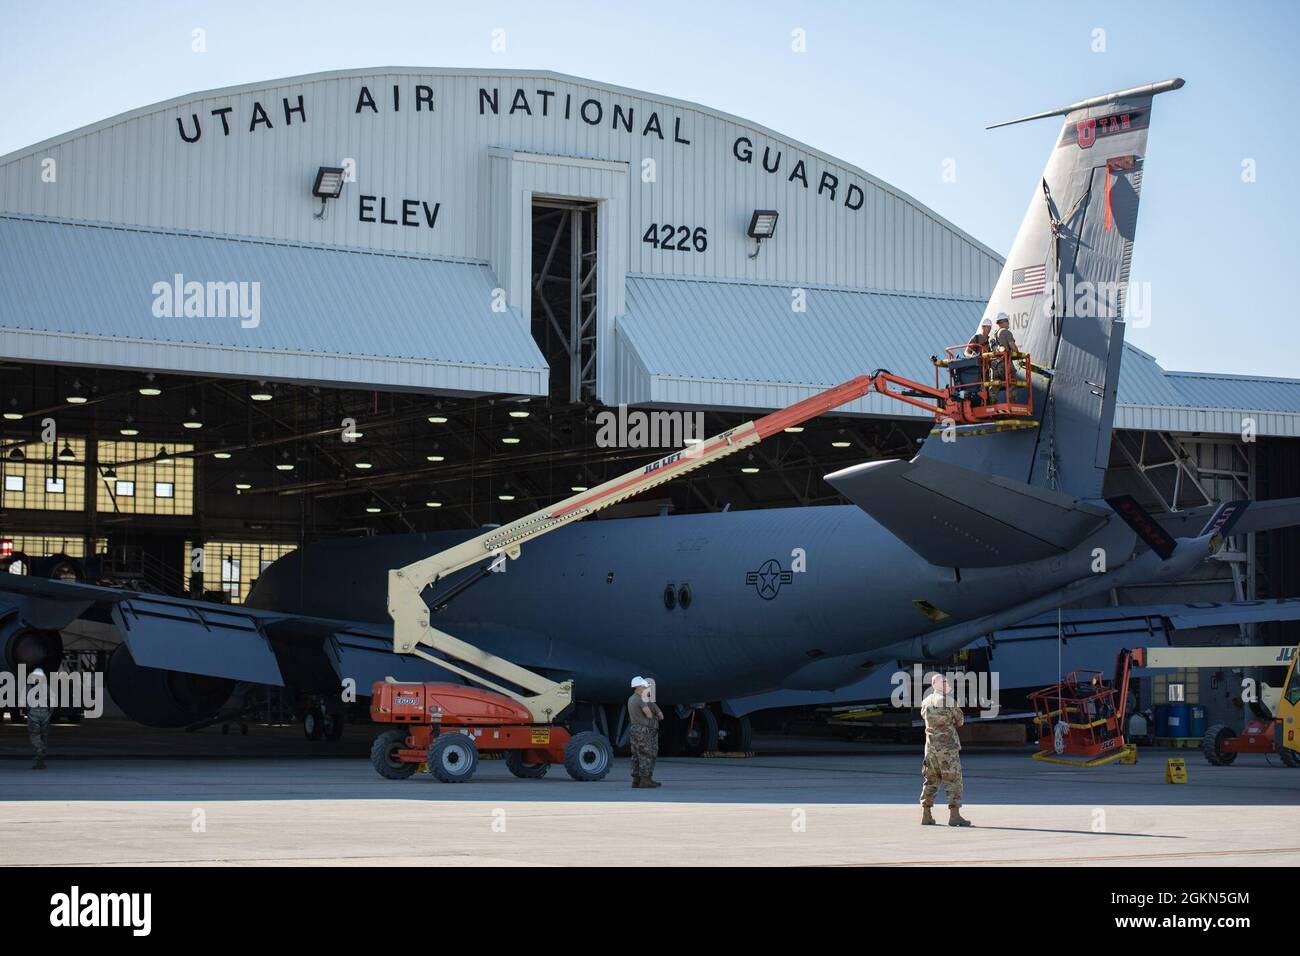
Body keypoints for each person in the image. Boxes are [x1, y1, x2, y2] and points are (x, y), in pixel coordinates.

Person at [919, 673, 970, 826]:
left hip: (930, 748)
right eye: (944, 682)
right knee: (953, 780)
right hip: (947, 748)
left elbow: (924, 718)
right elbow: (960, 721)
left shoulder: (926, 701)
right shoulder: (948, 701)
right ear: (935, 684)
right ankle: (954, 816)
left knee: (930, 780)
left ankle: (926, 814)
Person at [627, 676, 664, 789]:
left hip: (635, 729)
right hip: (644, 730)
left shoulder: (632, 699)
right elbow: (648, 713)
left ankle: (636, 780)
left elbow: (652, 706)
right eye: (644, 686)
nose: (646, 688)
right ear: (638, 687)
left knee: (636, 755)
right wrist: (655, 717)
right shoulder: (640, 699)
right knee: (647, 754)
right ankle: (645, 780)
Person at [27, 667, 51, 771]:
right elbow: (53, 702)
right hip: (45, 713)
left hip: (34, 714)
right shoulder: (47, 687)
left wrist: (29, 712)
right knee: (43, 736)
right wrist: (49, 713)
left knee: (35, 737)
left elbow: (25, 702)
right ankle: (42, 760)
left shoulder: (29, 687)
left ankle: (39, 754)